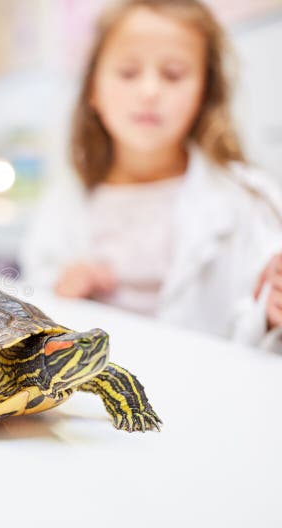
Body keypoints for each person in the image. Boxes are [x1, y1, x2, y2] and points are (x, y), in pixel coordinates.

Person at [22, 0, 282, 352]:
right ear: (93, 90)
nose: (149, 91)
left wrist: (268, 314)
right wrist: (61, 298)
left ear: (205, 93)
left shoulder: (252, 202)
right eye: (128, 72)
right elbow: (30, 319)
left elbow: (261, 337)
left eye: (173, 74)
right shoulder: (62, 206)